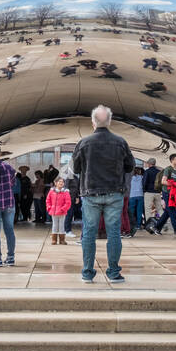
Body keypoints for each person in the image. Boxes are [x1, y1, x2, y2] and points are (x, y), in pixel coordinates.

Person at [72, 105, 133, 283]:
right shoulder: (120, 142)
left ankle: (87, 272)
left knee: (89, 233)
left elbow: (76, 168)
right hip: (115, 193)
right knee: (114, 232)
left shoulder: (84, 143)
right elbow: (130, 166)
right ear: (109, 121)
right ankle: (113, 272)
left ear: (93, 122)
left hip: (90, 193)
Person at [46, 176, 72, 244]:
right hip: (54, 211)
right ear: (55, 183)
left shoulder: (66, 192)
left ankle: (62, 240)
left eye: (62, 182)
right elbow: (48, 200)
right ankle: (54, 239)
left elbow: (68, 202)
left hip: (62, 212)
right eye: (59, 181)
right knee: (54, 225)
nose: (61, 183)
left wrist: (63, 209)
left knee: (61, 225)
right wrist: (49, 207)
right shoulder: (52, 191)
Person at [142, 157, 162, 225]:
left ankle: (150, 224)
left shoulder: (147, 171)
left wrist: (144, 190)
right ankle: (162, 222)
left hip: (149, 192)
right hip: (157, 192)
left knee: (148, 209)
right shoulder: (159, 172)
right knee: (159, 208)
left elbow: (144, 182)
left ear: (149, 164)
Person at [127, 166, 145, 237]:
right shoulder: (142, 177)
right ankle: (138, 225)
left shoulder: (130, 178)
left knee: (131, 211)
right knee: (139, 211)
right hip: (140, 195)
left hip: (132, 195)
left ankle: (132, 224)